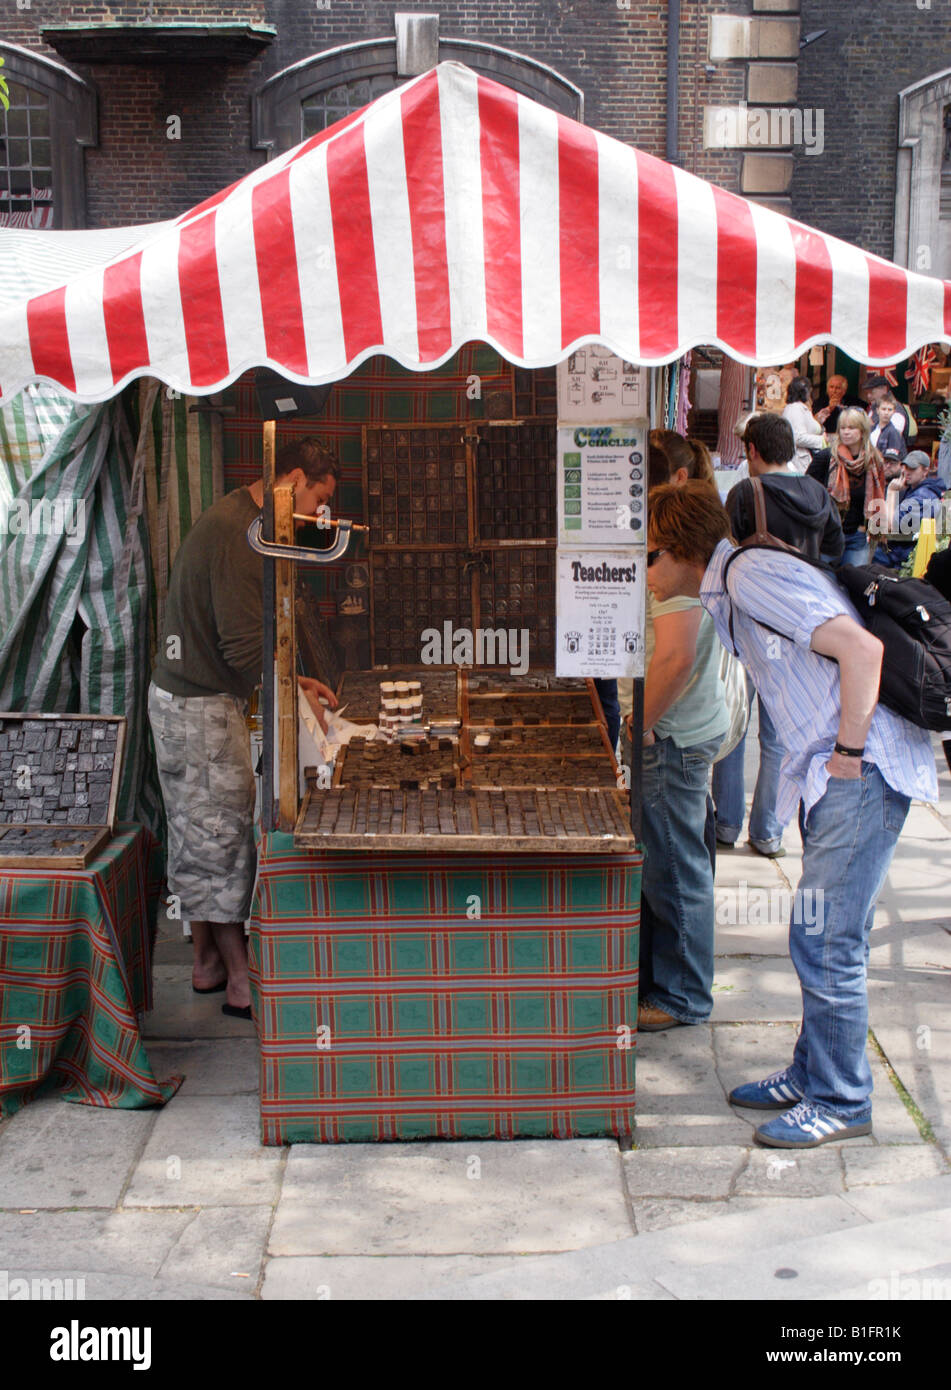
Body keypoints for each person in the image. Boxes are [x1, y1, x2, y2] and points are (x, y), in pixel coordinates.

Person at [646, 479, 937, 1147]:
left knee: (825, 938)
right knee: (827, 933)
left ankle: (840, 1097)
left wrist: (845, 751)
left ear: (683, 548)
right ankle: (811, 1072)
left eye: (650, 558)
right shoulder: (734, 583)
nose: (645, 574)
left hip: (860, 768)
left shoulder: (750, 577)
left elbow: (863, 650)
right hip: (832, 773)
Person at [148, 438, 340, 1020]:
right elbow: (240, 644)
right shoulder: (241, 533)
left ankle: (205, 963)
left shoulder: (242, 518)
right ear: (296, 478)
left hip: (192, 699)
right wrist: (289, 679)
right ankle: (239, 978)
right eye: (319, 499)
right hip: (198, 705)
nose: (318, 516)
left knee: (197, 832)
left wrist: (295, 682)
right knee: (223, 838)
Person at [619, 431, 728, 1033]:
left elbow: (677, 659)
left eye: (652, 556)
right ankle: (676, 983)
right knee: (674, 859)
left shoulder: (683, 582)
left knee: (675, 868)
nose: (647, 568)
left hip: (675, 738)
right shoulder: (693, 567)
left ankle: (683, 995)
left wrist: (640, 728)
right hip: (686, 731)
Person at [714, 415, 845, 857]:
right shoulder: (818, 492)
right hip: (803, 633)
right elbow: (836, 553)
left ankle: (726, 823)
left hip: (751, 626)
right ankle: (768, 831)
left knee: (736, 723)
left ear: (752, 450)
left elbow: (723, 554)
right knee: (780, 734)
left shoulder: (745, 493)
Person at [807, 408, 886, 566]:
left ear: (862, 431)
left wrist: (867, 528)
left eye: (851, 428)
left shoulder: (873, 461)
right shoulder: (826, 458)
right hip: (827, 536)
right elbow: (806, 492)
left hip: (856, 536)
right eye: (843, 428)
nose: (846, 432)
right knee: (825, 585)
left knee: (854, 586)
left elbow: (879, 497)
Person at [872, 449, 946, 569]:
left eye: (912, 468)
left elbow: (891, 526)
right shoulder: (915, 490)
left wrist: (891, 492)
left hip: (902, 556)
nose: (906, 472)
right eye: (905, 467)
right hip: (898, 550)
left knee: (865, 551)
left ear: (925, 471)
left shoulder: (923, 496)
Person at [782, 375, 825, 473]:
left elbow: (807, 429)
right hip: (799, 462)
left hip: (805, 459)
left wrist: (818, 421)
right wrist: (823, 440)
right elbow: (798, 437)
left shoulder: (800, 408)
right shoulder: (795, 408)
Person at [869, 394, 907, 462]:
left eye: (890, 410)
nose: (886, 413)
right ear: (877, 410)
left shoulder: (894, 432)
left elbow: (892, 459)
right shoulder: (871, 430)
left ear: (894, 412)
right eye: (883, 409)